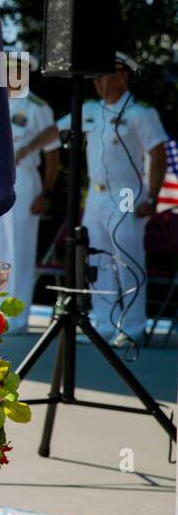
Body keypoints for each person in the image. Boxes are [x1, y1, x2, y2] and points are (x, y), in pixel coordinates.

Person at [56, 52, 169, 346]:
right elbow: (55, 131)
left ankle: (131, 328)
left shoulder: (140, 112)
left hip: (126, 192)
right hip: (95, 194)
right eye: (97, 77)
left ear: (124, 76)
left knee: (126, 256)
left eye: (106, 76)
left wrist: (153, 197)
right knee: (96, 258)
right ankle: (104, 326)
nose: (100, 83)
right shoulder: (90, 109)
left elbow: (158, 155)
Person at [0, 57, 59, 332]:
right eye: (6, 70)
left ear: (27, 73)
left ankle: (16, 317)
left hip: (25, 181)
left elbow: (53, 153)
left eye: (16, 70)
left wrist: (47, 191)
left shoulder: (37, 108)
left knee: (20, 249)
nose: (10, 75)